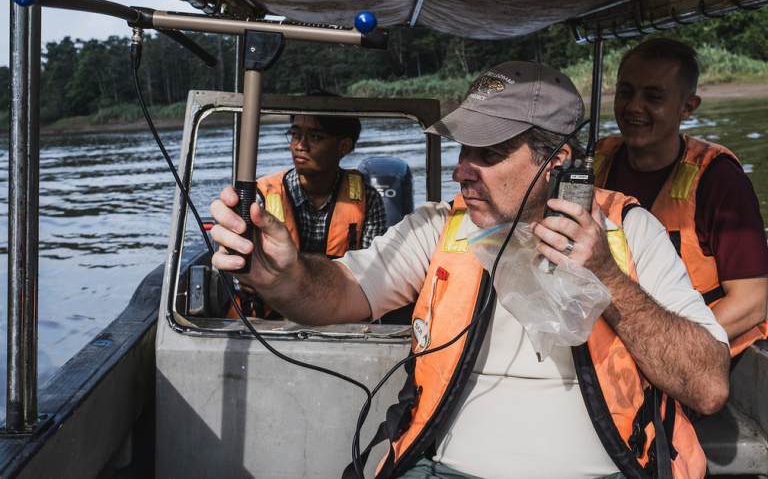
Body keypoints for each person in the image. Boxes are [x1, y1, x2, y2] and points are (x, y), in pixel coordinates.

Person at [210, 61, 730, 479]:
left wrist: (606, 277)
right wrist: (280, 275)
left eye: (490, 153)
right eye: (463, 148)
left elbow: (707, 385)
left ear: (558, 162)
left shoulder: (629, 232)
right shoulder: (440, 227)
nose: (461, 169)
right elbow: (339, 293)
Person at [594, 38, 768, 357]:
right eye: (626, 91)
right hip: (611, 334)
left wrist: (663, 348)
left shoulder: (719, 180)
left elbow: (752, 303)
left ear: (687, 107)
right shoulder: (595, 162)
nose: (634, 106)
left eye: (653, 97)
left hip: (685, 354)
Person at [225, 112, 386, 319]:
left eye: (314, 137)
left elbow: (370, 279)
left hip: (341, 322)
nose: (300, 145)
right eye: (295, 134)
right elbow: (242, 282)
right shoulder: (260, 197)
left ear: (343, 147)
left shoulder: (369, 200)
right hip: (270, 324)